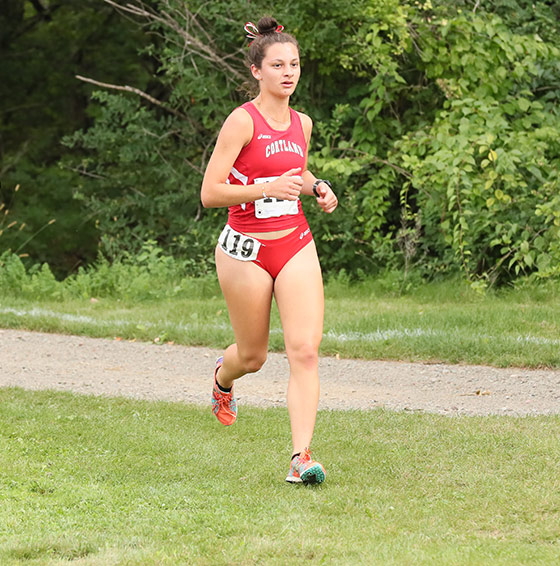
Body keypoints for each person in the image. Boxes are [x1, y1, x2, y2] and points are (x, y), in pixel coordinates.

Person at [200, 17, 339, 485]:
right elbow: (210, 192)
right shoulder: (241, 121)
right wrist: (264, 187)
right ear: (257, 70)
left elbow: (294, 174)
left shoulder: (303, 122)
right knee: (254, 356)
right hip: (245, 250)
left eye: (294, 64)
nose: (288, 72)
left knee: (305, 350)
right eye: (278, 64)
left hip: (295, 242)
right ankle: (224, 377)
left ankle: (301, 457)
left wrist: (316, 185)